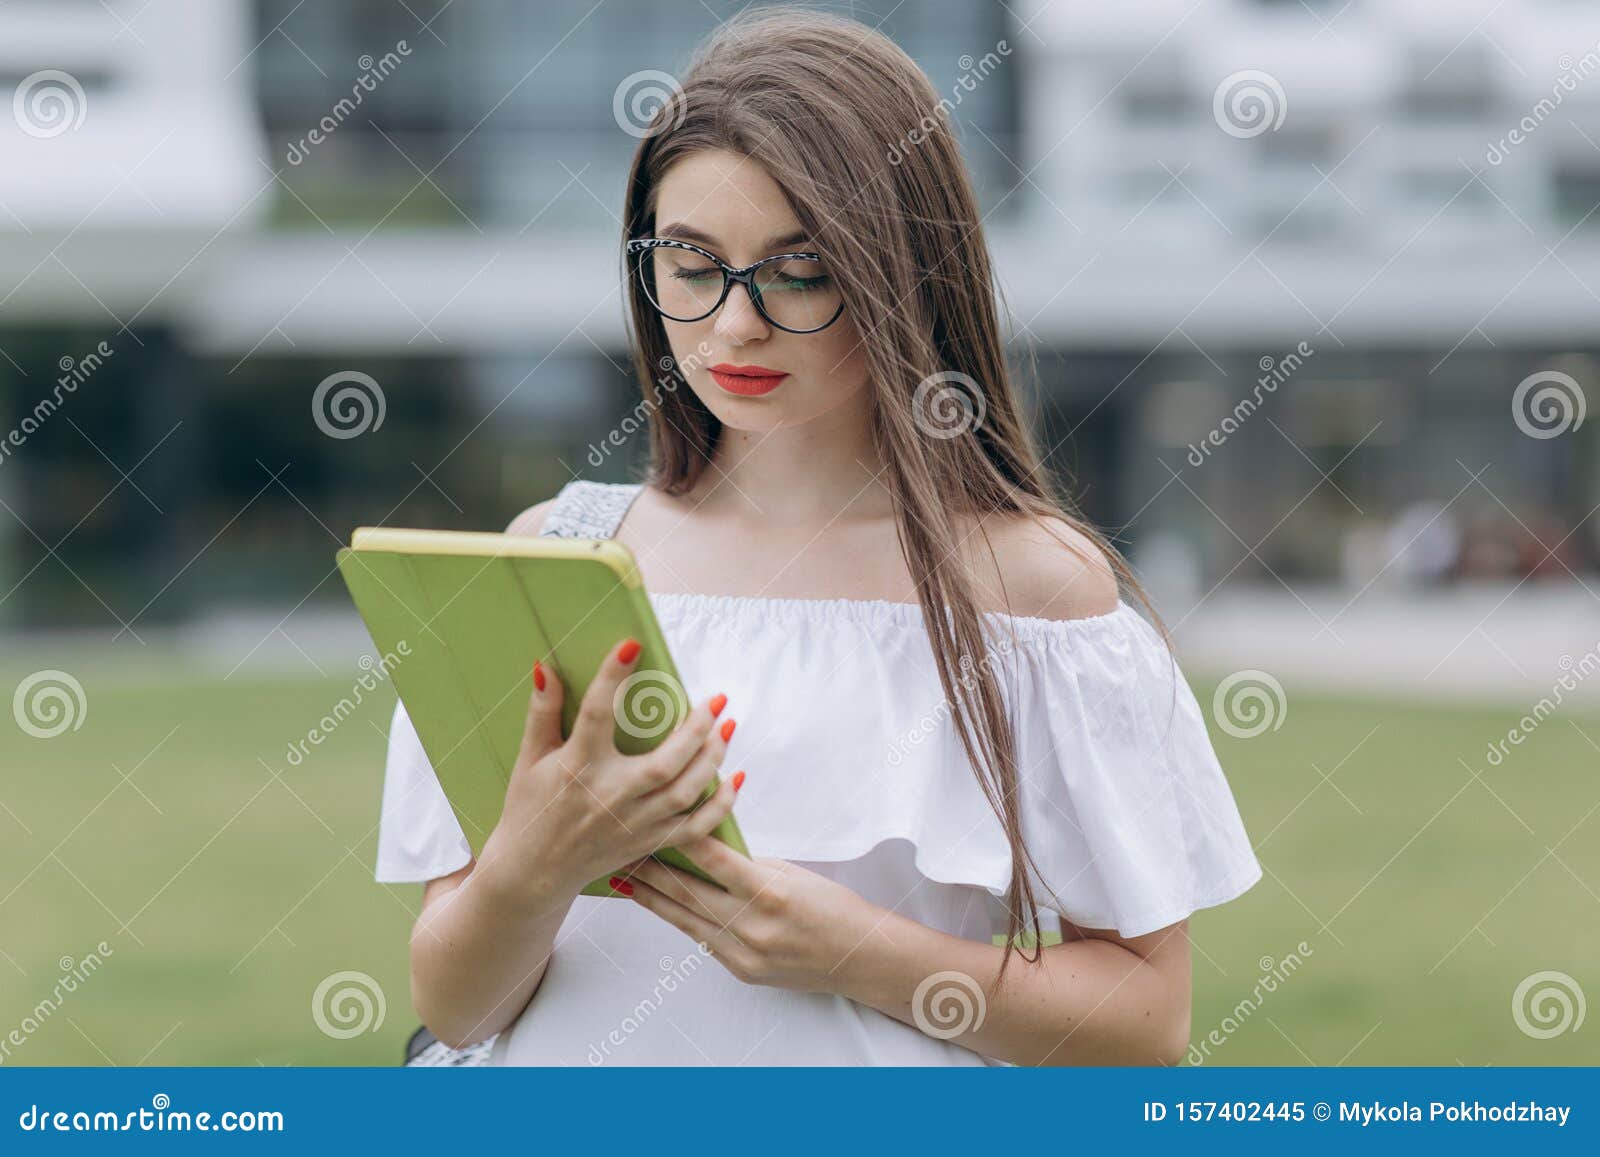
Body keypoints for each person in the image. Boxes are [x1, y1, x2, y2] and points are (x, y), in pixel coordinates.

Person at [375, 5, 1262, 1067]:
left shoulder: (1028, 589)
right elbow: (456, 1009)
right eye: (691, 264)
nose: (734, 324)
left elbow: (1145, 1022)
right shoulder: (553, 558)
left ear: (905, 276)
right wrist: (534, 864)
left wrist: (858, 953)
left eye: (800, 272)